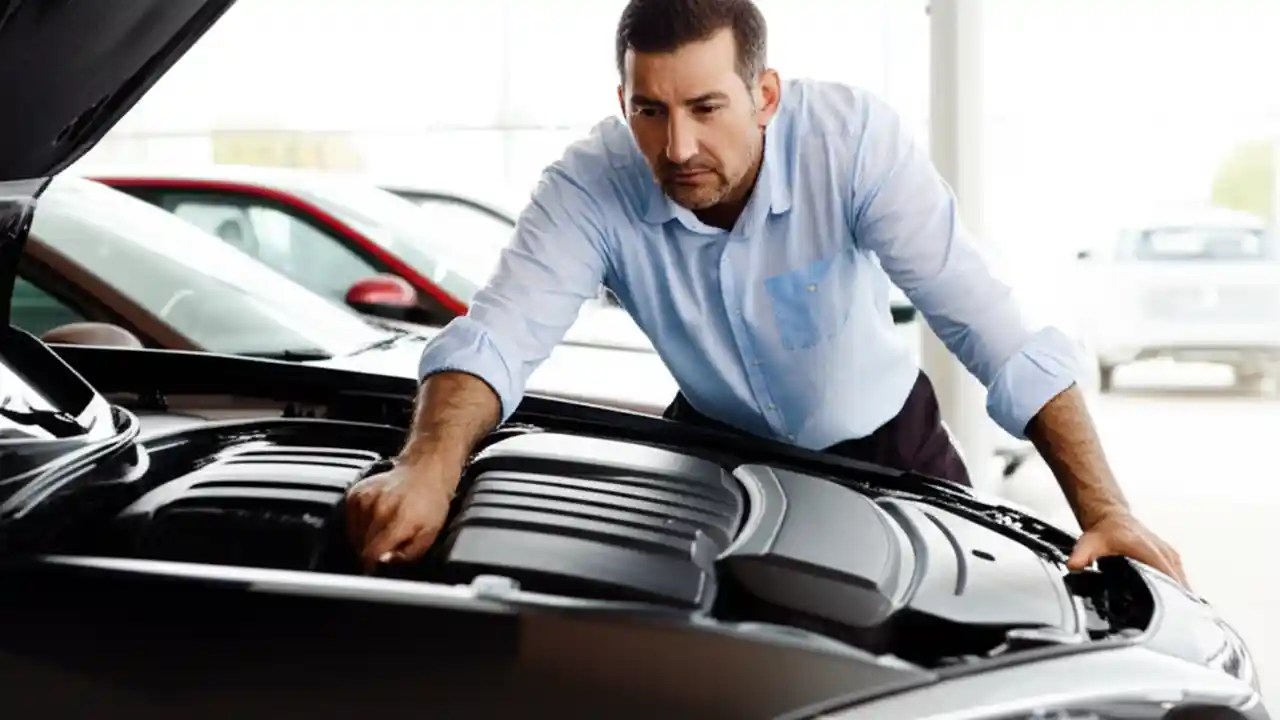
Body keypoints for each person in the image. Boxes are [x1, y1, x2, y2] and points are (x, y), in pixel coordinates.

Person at [344, 0, 1187, 586]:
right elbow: (498, 335)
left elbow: (990, 327)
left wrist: (1105, 508)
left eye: (706, 107)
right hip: (714, 449)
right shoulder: (591, 181)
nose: (678, 147)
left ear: (765, 95)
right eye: (650, 111)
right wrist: (427, 467)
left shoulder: (852, 143)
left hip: (889, 443)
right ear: (623, 101)